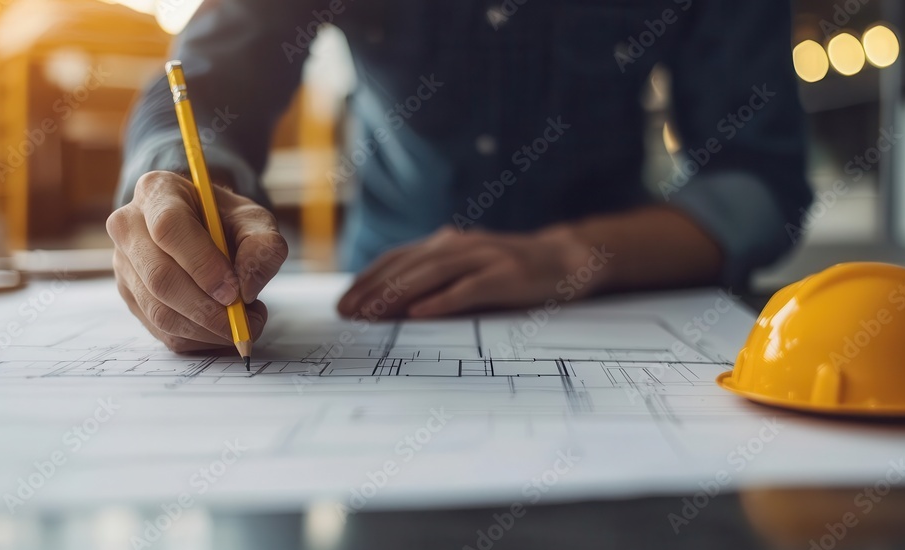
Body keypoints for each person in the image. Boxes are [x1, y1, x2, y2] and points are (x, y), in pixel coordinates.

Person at [108, 0, 811, 352]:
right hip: (379, 312)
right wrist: (173, 189)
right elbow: (209, 86)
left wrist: (571, 256)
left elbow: (760, 178)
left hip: (624, 306)